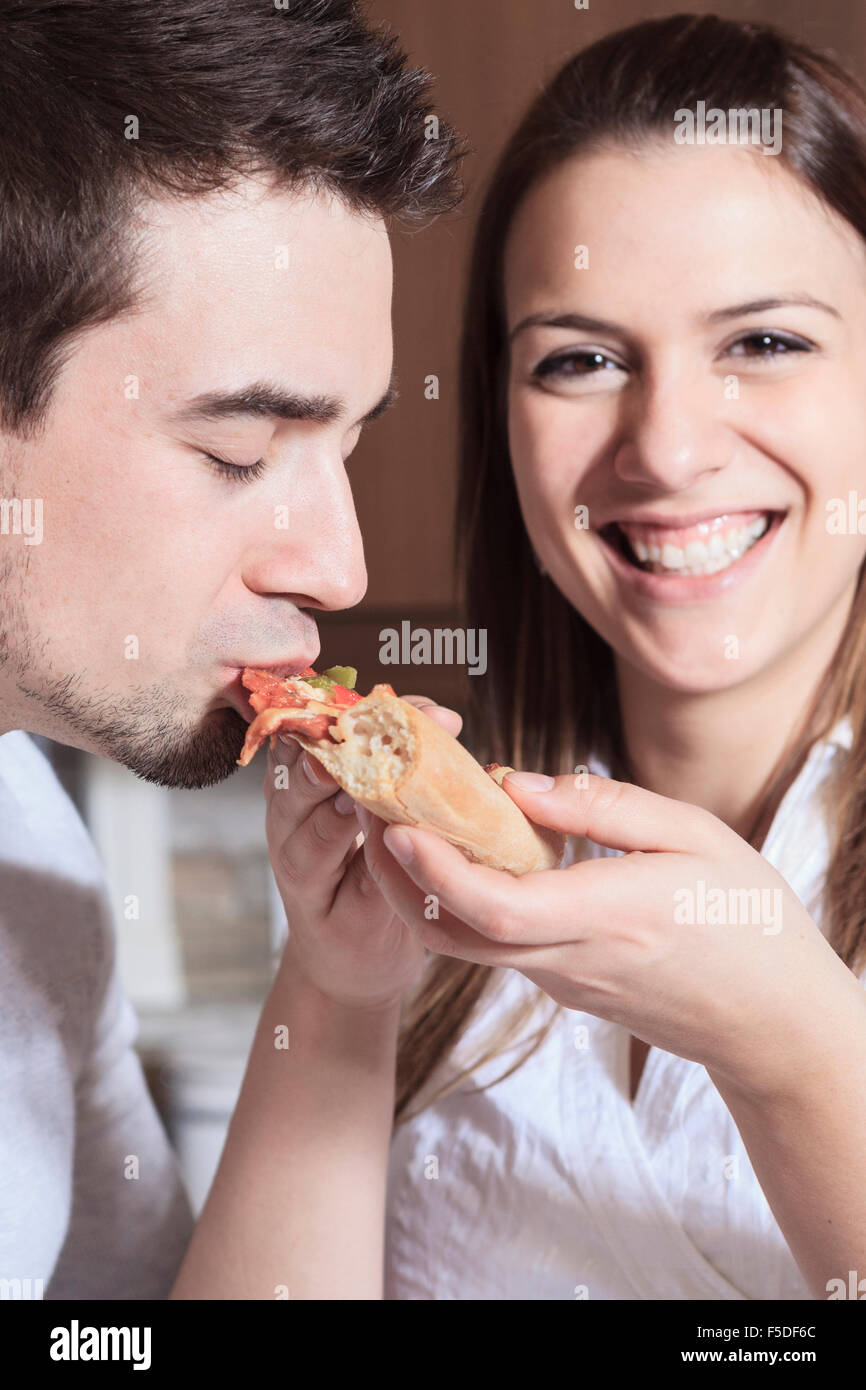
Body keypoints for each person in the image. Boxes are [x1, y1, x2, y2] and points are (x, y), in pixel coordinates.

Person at [256, 13, 866, 1300]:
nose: (667, 447)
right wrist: (340, 991)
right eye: (579, 360)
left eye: (763, 342)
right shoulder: (427, 881)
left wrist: (799, 1055)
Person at [0, 0, 462, 1299]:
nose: (341, 570)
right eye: (239, 454)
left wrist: (341, 982)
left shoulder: (36, 853)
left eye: (350, 447)